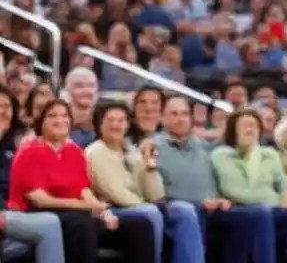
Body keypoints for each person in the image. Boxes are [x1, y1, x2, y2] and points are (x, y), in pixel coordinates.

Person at [7, 100, 155, 263]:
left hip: (75, 214)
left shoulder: (74, 152)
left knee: (139, 224)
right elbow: (40, 200)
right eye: (52, 116)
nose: (59, 120)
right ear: (41, 122)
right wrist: (85, 206)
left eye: (64, 115)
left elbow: (83, 191)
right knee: (82, 223)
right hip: (37, 214)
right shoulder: (29, 151)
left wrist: (104, 213)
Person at [84, 101, 204, 263]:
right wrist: (151, 206)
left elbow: (156, 195)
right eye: (110, 120)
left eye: (121, 120)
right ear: (100, 124)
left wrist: (149, 165)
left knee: (184, 210)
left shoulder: (132, 151)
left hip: (141, 205)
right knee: (150, 213)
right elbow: (114, 193)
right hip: (112, 209)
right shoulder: (95, 151)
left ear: (127, 124)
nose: (116, 125)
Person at [153, 96, 264, 263]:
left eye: (184, 114)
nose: (180, 119)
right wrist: (200, 202)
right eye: (173, 114)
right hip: (174, 209)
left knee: (256, 214)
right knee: (188, 211)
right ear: (162, 118)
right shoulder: (154, 146)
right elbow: (156, 192)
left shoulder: (202, 145)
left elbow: (231, 138)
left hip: (213, 207)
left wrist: (221, 200)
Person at [211, 109, 287, 263]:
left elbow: (284, 184)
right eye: (244, 125)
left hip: (270, 210)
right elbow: (232, 189)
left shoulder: (270, 155)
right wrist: (275, 201)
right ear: (234, 131)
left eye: (254, 126)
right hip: (239, 211)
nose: (250, 129)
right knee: (262, 212)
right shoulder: (221, 155)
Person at [0, 86, 65, 263]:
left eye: (7, 107)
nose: (2, 111)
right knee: (50, 224)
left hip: (17, 209)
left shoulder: (13, 143)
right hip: (5, 212)